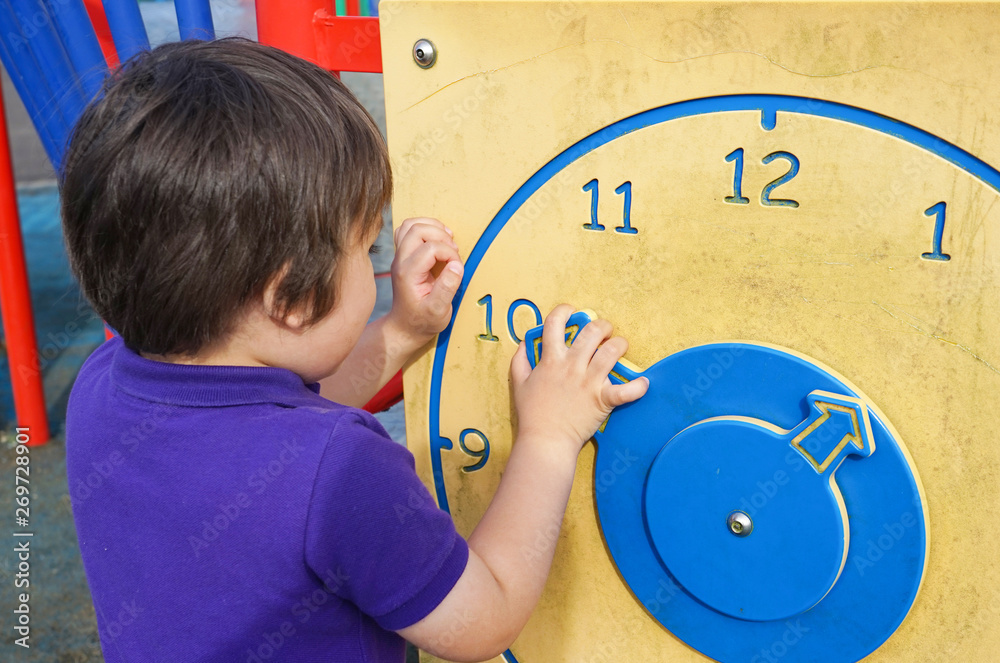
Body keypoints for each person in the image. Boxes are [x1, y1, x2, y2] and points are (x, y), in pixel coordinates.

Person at [62, 38, 648, 662]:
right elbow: (486, 618)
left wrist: (401, 331)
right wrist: (548, 437)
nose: (379, 268)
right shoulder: (344, 471)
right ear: (289, 297)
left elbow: (263, 435)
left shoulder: (100, 389)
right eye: (367, 251)